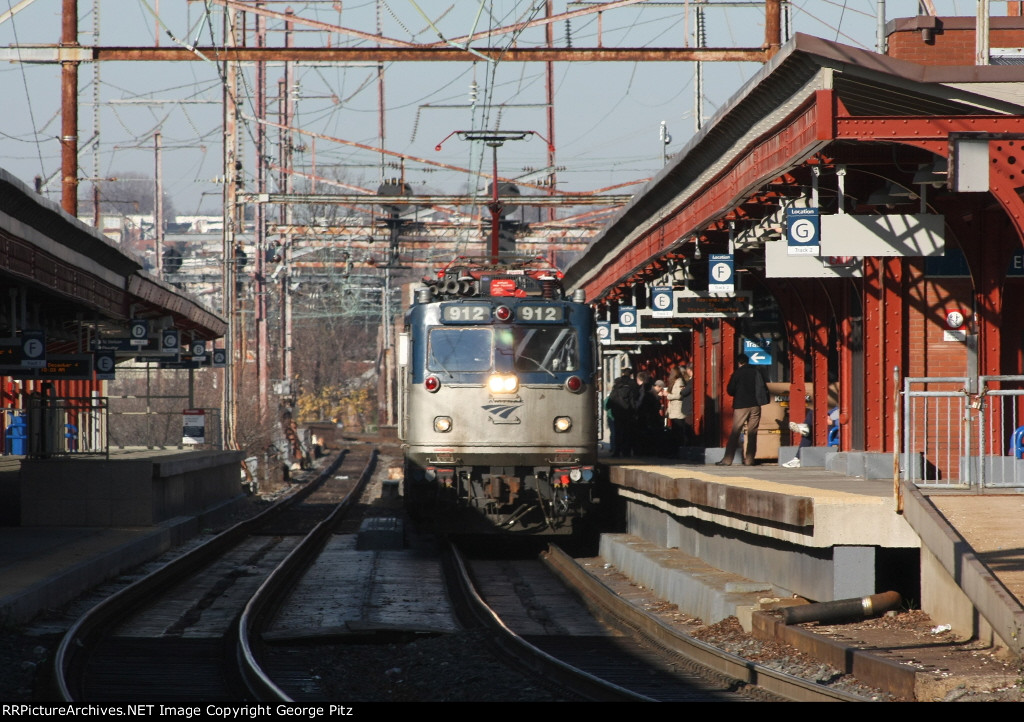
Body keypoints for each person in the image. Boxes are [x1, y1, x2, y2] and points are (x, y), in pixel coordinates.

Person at [717, 353, 769, 466]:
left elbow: (730, 390)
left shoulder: (737, 373)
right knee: (752, 432)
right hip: (756, 405)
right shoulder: (756, 371)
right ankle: (750, 460)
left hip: (741, 406)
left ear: (739, 362)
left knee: (735, 432)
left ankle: (727, 460)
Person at [606, 367, 637, 456]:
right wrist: (634, 413)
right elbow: (632, 403)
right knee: (627, 433)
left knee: (617, 433)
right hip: (627, 415)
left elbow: (609, 404)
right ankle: (626, 451)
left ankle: (616, 451)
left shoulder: (615, 390)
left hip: (617, 415)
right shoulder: (631, 388)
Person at [666, 364, 695, 454]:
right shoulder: (678, 382)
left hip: (678, 410)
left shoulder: (679, 382)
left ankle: (678, 450)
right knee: (676, 430)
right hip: (675, 410)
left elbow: (679, 394)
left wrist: (667, 395)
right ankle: (676, 450)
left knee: (678, 431)